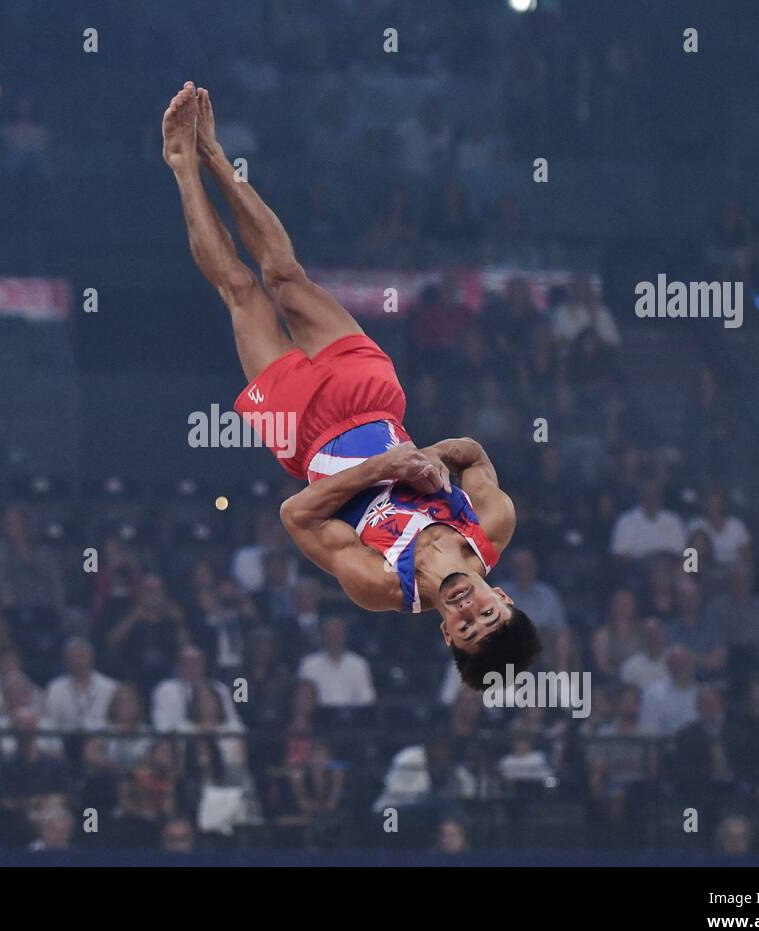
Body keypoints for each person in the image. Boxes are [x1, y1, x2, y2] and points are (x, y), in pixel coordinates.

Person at [163, 83, 539, 690]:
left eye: (466, 628)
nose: (470, 611)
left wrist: (381, 470)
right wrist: (424, 459)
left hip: (307, 437)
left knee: (240, 290)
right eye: (488, 615)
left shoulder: (382, 585)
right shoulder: (492, 521)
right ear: (505, 598)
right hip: (373, 398)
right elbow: (471, 450)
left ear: (446, 635)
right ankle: (211, 153)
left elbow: (297, 516)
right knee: (285, 275)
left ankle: (181, 166)